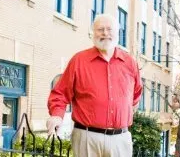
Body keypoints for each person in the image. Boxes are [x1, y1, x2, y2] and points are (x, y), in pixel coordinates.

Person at [47, 14, 143, 157]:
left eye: (109, 29)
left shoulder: (130, 63)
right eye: (100, 29)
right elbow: (60, 93)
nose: (105, 33)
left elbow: (136, 94)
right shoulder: (79, 61)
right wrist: (57, 115)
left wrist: (122, 111)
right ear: (93, 32)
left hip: (120, 139)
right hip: (87, 138)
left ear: (117, 32)